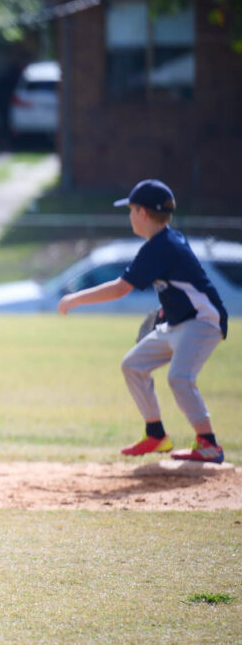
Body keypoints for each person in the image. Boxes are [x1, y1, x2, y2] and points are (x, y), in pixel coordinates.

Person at [58, 179, 227, 463]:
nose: (130, 216)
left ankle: (208, 443)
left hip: (203, 322)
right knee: (133, 365)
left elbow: (119, 288)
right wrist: (165, 312)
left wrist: (75, 299)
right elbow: (179, 285)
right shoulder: (163, 242)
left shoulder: (160, 246)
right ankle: (156, 435)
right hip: (177, 323)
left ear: (143, 214)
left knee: (179, 378)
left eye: (132, 209)